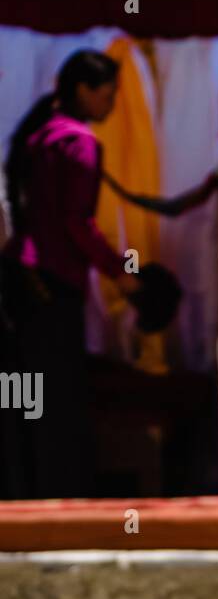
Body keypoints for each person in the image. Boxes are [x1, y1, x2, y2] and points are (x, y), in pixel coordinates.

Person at [1, 50, 140, 497]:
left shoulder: (37, 134)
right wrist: (120, 272)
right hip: (53, 282)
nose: (112, 104)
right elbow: (76, 222)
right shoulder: (77, 142)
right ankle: (57, 495)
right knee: (56, 394)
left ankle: (19, 489)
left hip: (17, 277)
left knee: (22, 392)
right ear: (84, 90)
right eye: (108, 93)